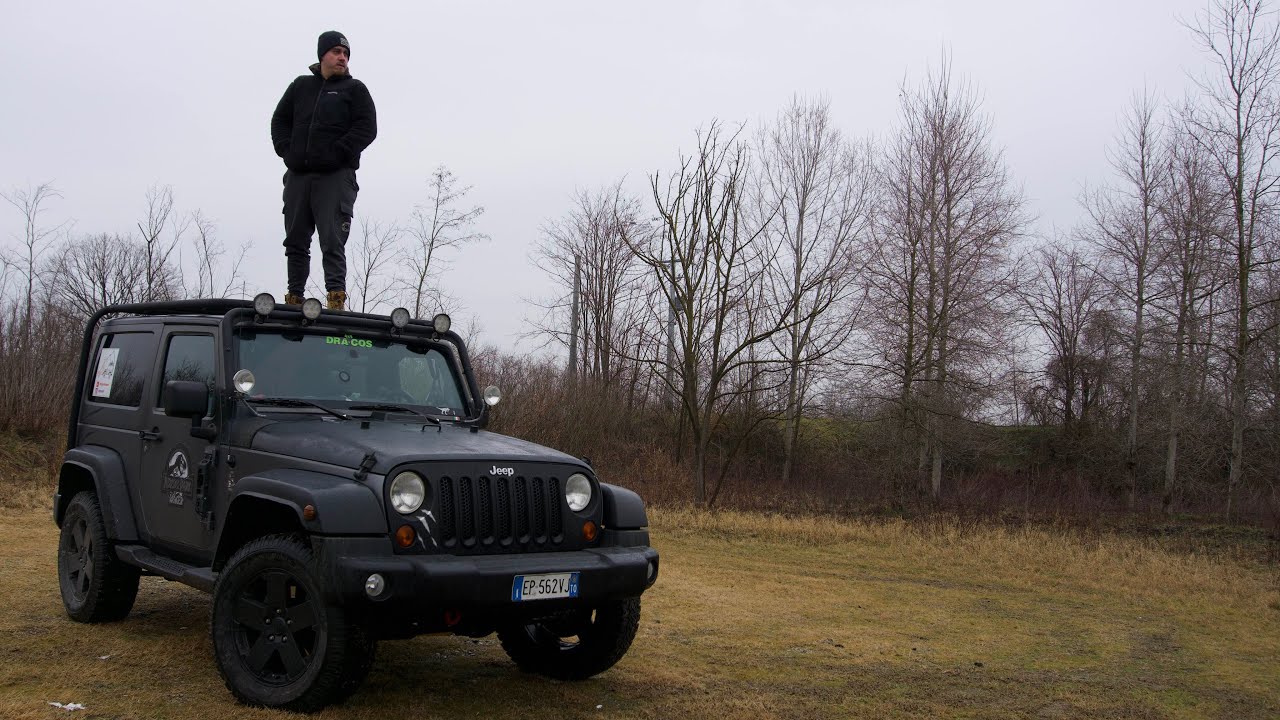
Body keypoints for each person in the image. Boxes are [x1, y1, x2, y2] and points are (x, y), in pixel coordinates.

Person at [270, 30, 377, 311]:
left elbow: (367, 129)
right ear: (322, 55)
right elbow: (279, 120)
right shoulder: (301, 86)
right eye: (336, 52)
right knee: (295, 239)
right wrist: (286, 150)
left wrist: (337, 153)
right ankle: (294, 298)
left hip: (335, 177)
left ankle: (335, 300)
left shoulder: (355, 90)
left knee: (332, 239)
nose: (342, 57)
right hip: (299, 175)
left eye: (346, 54)